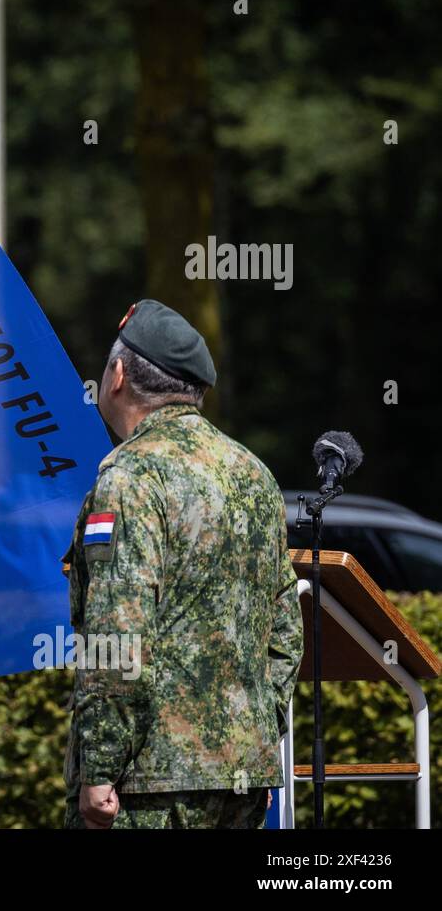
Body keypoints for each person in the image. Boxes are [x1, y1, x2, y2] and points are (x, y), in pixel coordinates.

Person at [62, 299, 303, 829]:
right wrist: (259, 736)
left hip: (148, 787)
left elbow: (117, 632)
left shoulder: (129, 476)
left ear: (118, 374)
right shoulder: (254, 474)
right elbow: (286, 626)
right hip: (241, 779)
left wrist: (99, 768)